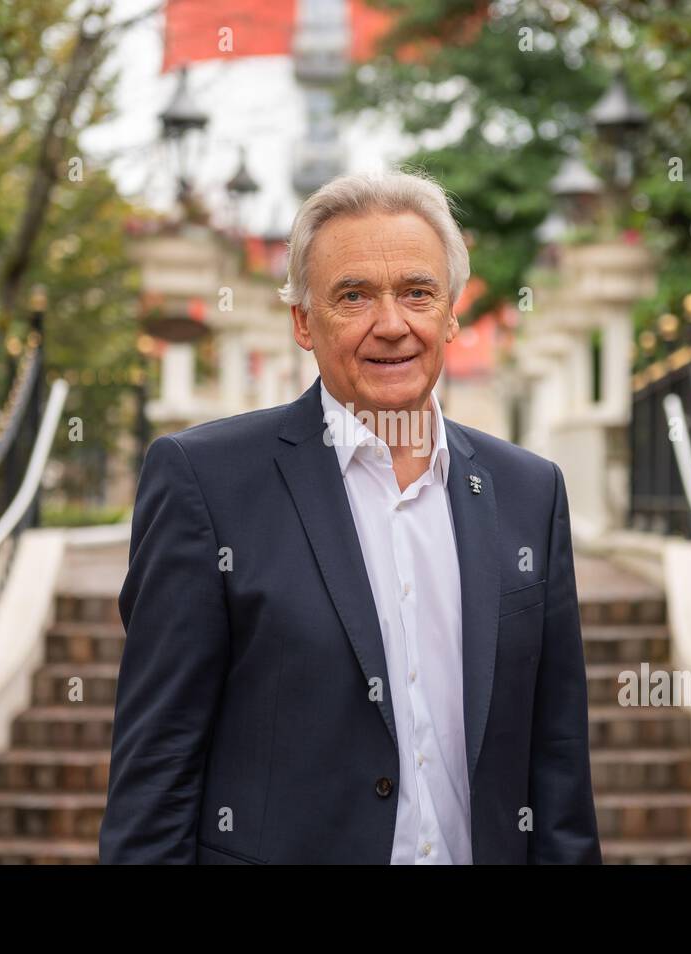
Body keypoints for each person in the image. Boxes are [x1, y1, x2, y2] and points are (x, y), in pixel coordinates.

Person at [99, 169, 600, 864]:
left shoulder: (529, 493)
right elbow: (155, 781)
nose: (391, 324)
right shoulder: (205, 484)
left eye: (417, 293)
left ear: (452, 312)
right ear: (303, 322)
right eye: (354, 295)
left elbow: (560, 767)